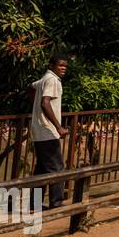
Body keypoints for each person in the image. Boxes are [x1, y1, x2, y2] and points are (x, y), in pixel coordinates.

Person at [30, 55, 69, 209]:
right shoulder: (52, 80)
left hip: (38, 130)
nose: (63, 68)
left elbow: (31, 87)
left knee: (41, 169)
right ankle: (56, 202)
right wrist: (58, 127)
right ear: (51, 65)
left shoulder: (44, 79)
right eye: (60, 65)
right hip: (47, 131)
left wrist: (34, 108)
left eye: (65, 66)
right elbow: (45, 103)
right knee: (57, 168)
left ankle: (35, 203)